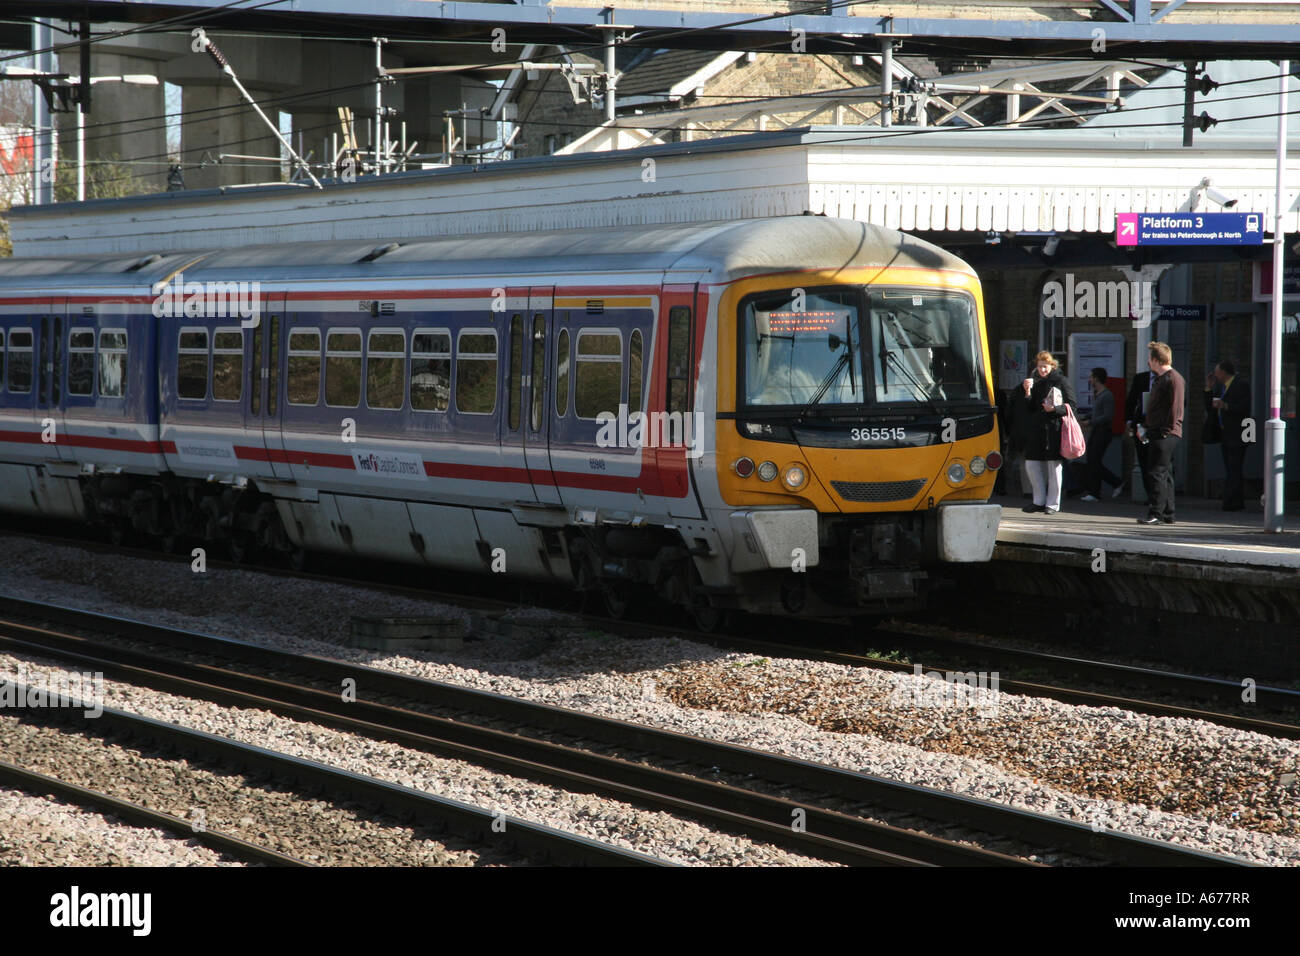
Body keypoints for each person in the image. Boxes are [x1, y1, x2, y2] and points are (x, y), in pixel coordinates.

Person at [1020, 351, 1077, 515]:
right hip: (1037, 430)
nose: (1042, 370)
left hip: (1054, 429)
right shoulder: (1036, 383)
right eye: (1039, 367)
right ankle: (1038, 500)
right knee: (1031, 463)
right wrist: (1028, 392)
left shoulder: (1061, 381)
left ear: (1052, 366)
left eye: (1045, 367)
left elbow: (1072, 407)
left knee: (1054, 467)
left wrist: (1054, 409)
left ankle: (1052, 504)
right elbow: (1030, 408)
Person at [1137, 341, 1185, 525]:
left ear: (1157, 360)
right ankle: (1167, 513)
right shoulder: (1163, 378)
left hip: (1165, 433)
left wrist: (1165, 431)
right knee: (1165, 474)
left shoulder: (1172, 379)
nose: (1148, 362)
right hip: (1159, 431)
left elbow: (1175, 408)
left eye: (1150, 359)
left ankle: (1155, 512)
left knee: (1156, 472)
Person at [1202, 359, 1251, 511]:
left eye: (1217, 372)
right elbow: (1209, 408)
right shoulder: (1220, 387)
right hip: (1225, 433)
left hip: (1239, 432)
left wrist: (1226, 405)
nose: (1215, 375)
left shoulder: (1240, 384)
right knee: (1230, 467)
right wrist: (1208, 389)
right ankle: (1235, 500)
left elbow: (1245, 407)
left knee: (1234, 467)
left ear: (1223, 372)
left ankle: (1231, 502)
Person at [1078, 367, 1124, 501]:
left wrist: (1090, 422)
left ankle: (1103, 488)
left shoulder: (1107, 395)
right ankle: (1097, 490)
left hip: (1104, 431)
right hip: (1096, 430)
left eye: (1091, 377)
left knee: (1094, 461)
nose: (1090, 379)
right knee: (1092, 460)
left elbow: (1107, 416)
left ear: (1097, 378)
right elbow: (1096, 411)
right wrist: (1086, 417)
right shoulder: (1097, 394)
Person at [1124, 367, 1153, 500]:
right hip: (1141, 425)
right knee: (1144, 461)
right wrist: (1129, 420)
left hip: (1160, 427)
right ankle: (1150, 496)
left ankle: (1160, 498)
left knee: (1160, 464)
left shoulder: (1169, 379)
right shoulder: (1141, 378)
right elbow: (1131, 400)